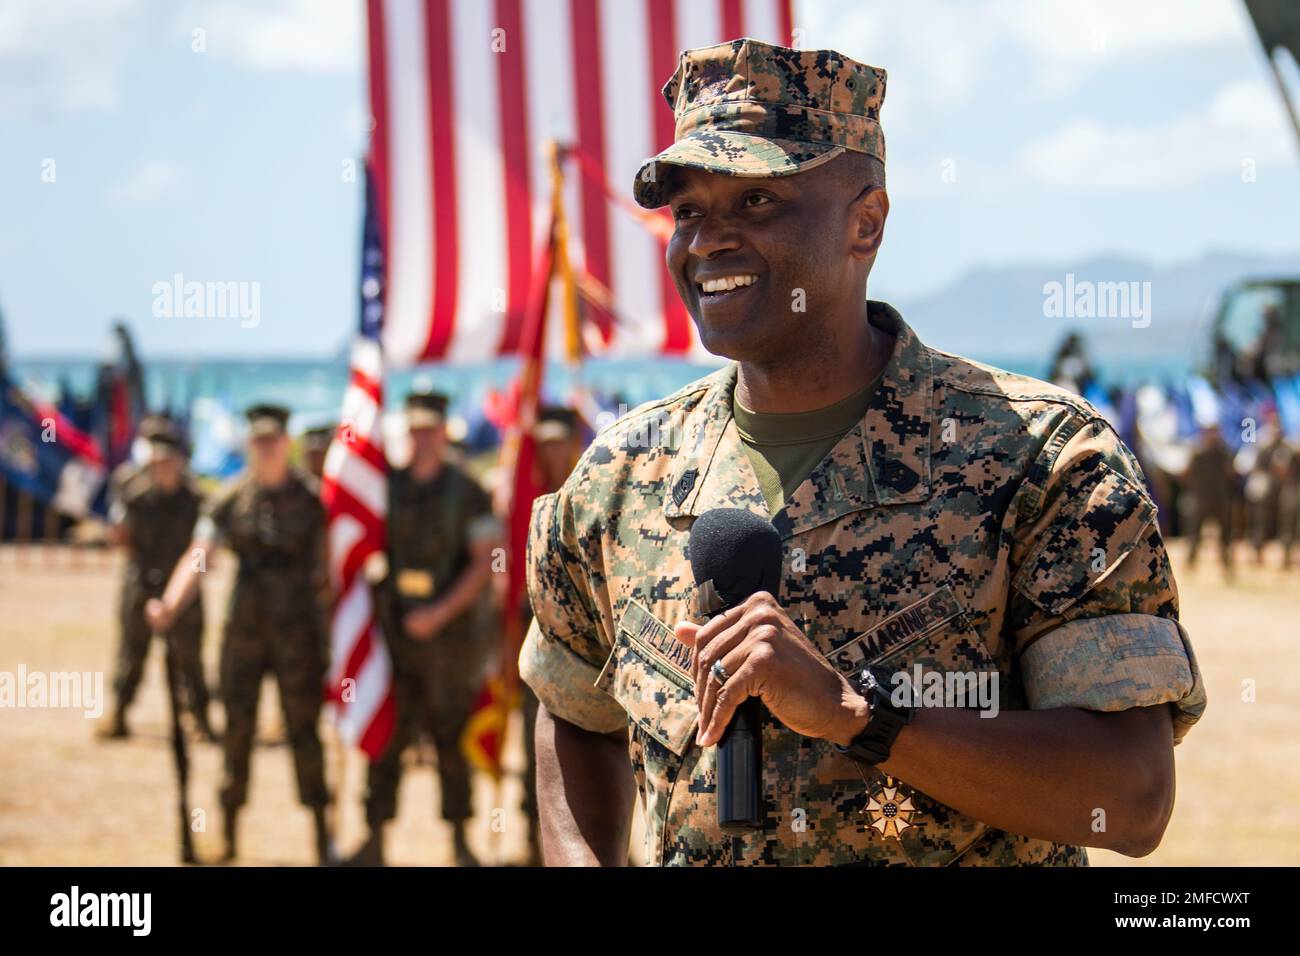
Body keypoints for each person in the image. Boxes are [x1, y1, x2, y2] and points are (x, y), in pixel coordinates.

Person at [520, 39, 1206, 867]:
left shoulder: (1042, 459)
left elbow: (1129, 799)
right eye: (690, 210)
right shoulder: (621, 478)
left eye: (759, 202)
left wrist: (857, 712)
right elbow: (571, 710)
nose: (707, 242)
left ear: (865, 223)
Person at [146, 403, 333, 864]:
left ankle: (322, 836)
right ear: (249, 446)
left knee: (305, 735)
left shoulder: (314, 500)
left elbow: (332, 562)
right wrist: (171, 602)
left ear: (285, 445)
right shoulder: (230, 498)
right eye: (258, 442)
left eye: (273, 441)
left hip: (298, 640)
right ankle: (227, 835)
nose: (266, 449)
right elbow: (200, 553)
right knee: (236, 736)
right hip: (243, 637)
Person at [347, 390, 500, 866]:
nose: (422, 439)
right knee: (386, 739)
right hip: (394, 640)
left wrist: (440, 613)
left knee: (451, 742)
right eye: (414, 430)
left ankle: (460, 841)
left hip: (449, 644)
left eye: (430, 430)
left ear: (443, 432)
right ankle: (373, 838)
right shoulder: (386, 486)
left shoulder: (465, 489)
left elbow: (484, 564)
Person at [101, 416, 214, 741]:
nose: (162, 463)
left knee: (190, 658)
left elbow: (204, 545)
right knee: (130, 652)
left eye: (169, 457)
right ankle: (118, 713)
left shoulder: (194, 496)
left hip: (183, 582)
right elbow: (119, 536)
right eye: (156, 455)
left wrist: (193, 574)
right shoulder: (130, 487)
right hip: (141, 579)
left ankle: (200, 719)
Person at [1184, 424, 1237, 578]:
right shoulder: (1198, 453)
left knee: (1226, 535)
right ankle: (1190, 563)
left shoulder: (1224, 453)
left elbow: (1231, 474)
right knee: (1195, 534)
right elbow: (1187, 473)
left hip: (1220, 500)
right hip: (1201, 499)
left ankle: (1227, 566)